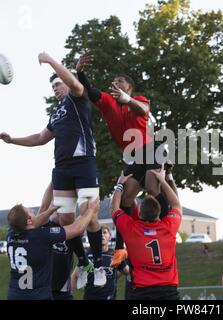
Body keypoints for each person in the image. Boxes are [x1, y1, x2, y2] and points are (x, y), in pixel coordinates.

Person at [0, 52, 105, 288]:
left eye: (57, 84)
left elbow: (75, 82)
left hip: (84, 162)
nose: (55, 89)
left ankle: (99, 264)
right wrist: (12, 139)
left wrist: (50, 61)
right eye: (52, 86)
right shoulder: (57, 113)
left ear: (66, 82)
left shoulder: (78, 96)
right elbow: (40, 138)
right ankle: (84, 263)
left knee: (89, 211)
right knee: (66, 219)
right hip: (62, 168)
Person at [76, 53, 167, 266]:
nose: (115, 84)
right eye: (113, 82)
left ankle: (165, 228)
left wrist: (127, 100)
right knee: (126, 199)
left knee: (154, 190)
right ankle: (121, 248)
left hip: (150, 150)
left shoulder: (139, 101)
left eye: (120, 82)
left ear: (129, 89)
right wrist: (80, 71)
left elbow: (142, 109)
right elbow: (88, 91)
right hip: (134, 157)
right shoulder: (108, 102)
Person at [6, 196, 100, 300]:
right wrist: (91, 210)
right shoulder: (41, 236)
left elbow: (34, 222)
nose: (34, 212)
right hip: (38, 296)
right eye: (31, 212)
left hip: (15, 294)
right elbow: (76, 229)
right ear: (28, 221)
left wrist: (50, 211)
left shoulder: (11, 234)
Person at [110, 170, 182, 300]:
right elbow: (176, 204)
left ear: (140, 215)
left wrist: (120, 184)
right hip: (169, 292)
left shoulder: (132, 230)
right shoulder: (168, 228)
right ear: (159, 214)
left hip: (143, 292)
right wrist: (163, 180)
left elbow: (115, 208)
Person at [70, 224, 130, 300]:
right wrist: (69, 293)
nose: (102, 235)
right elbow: (75, 275)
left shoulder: (115, 255)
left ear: (110, 236)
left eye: (105, 232)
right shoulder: (88, 255)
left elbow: (126, 271)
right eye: (99, 233)